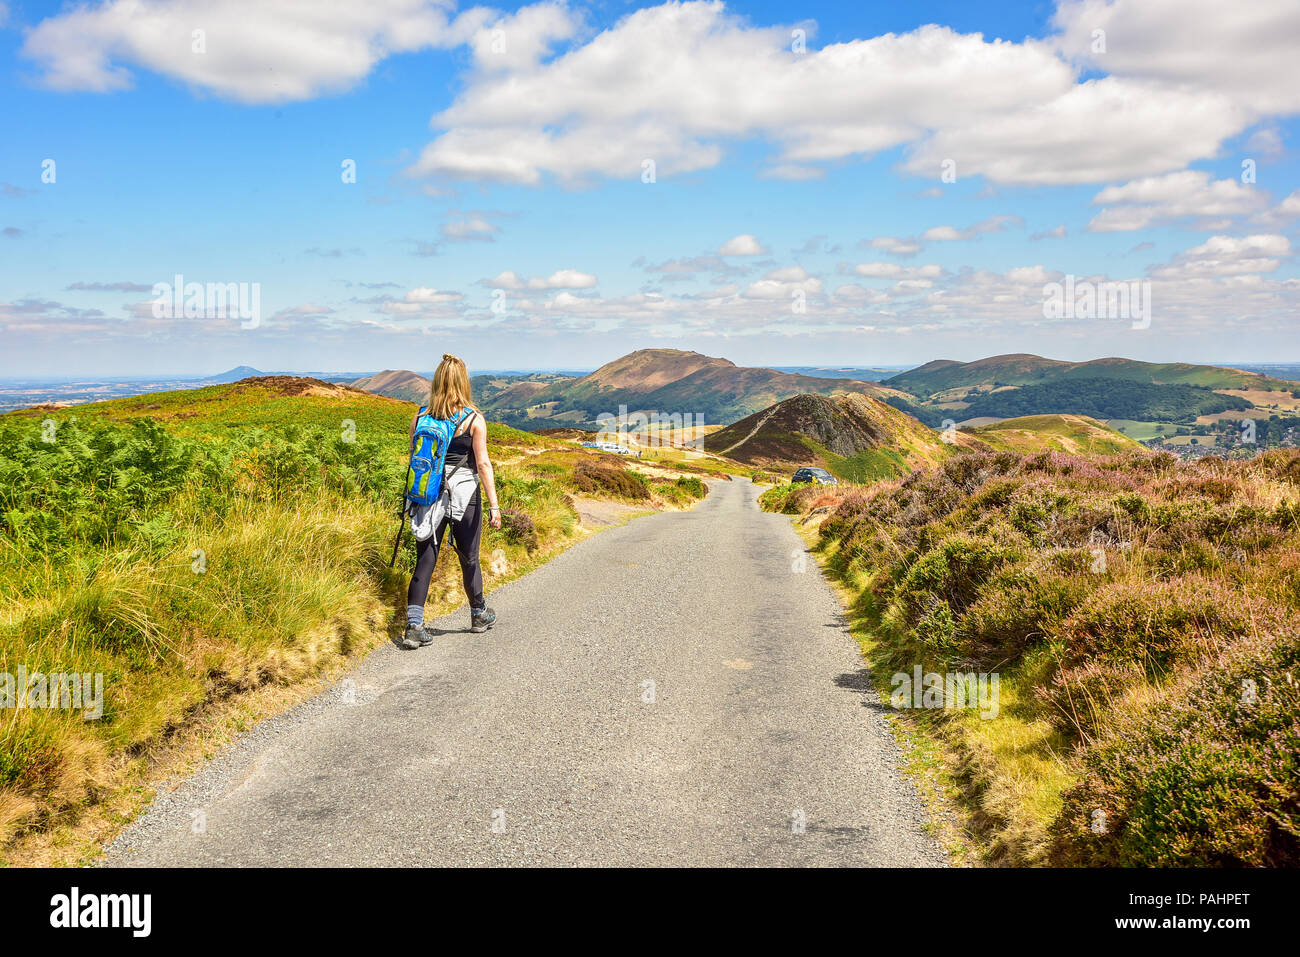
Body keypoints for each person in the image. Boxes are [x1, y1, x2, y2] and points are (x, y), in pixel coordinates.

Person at [403, 354, 501, 648]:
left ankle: (414, 626)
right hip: (464, 494)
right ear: (463, 382)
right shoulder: (473, 419)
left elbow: (414, 457)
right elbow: (482, 464)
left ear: (437, 380)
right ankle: (478, 613)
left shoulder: (420, 416)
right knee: (468, 556)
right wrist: (495, 506)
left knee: (426, 557)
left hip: (429, 495)